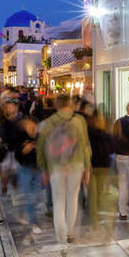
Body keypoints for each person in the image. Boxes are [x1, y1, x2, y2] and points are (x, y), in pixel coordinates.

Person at [37, 93, 91, 245]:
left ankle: (61, 236)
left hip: (56, 166)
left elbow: (41, 147)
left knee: (58, 201)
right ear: (70, 104)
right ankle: (70, 233)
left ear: (57, 105)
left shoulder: (48, 122)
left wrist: (44, 168)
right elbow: (86, 145)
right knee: (73, 199)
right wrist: (87, 168)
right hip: (76, 164)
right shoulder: (79, 120)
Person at [14, 116, 45, 234]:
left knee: (36, 197)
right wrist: (24, 150)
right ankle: (34, 223)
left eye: (34, 127)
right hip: (25, 170)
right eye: (29, 126)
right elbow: (17, 155)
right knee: (30, 197)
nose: (32, 129)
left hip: (38, 170)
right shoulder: (20, 137)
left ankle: (22, 213)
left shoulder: (40, 137)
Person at [87, 111, 115, 234]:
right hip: (104, 166)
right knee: (99, 192)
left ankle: (94, 221)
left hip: (91, 166)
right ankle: (99, 216)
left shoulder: (87, 133)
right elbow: (112, 149)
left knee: (92, 194)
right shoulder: (106, 134)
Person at [0, 99, 24, 193]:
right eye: (9, 107)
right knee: (6, 168)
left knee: (14, 169)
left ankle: (14, 185)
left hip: (15, 148)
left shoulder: (18, 119)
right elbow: (2, 134)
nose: (12, 108)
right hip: (7, 148)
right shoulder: (4, 121)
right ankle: (5, 186)